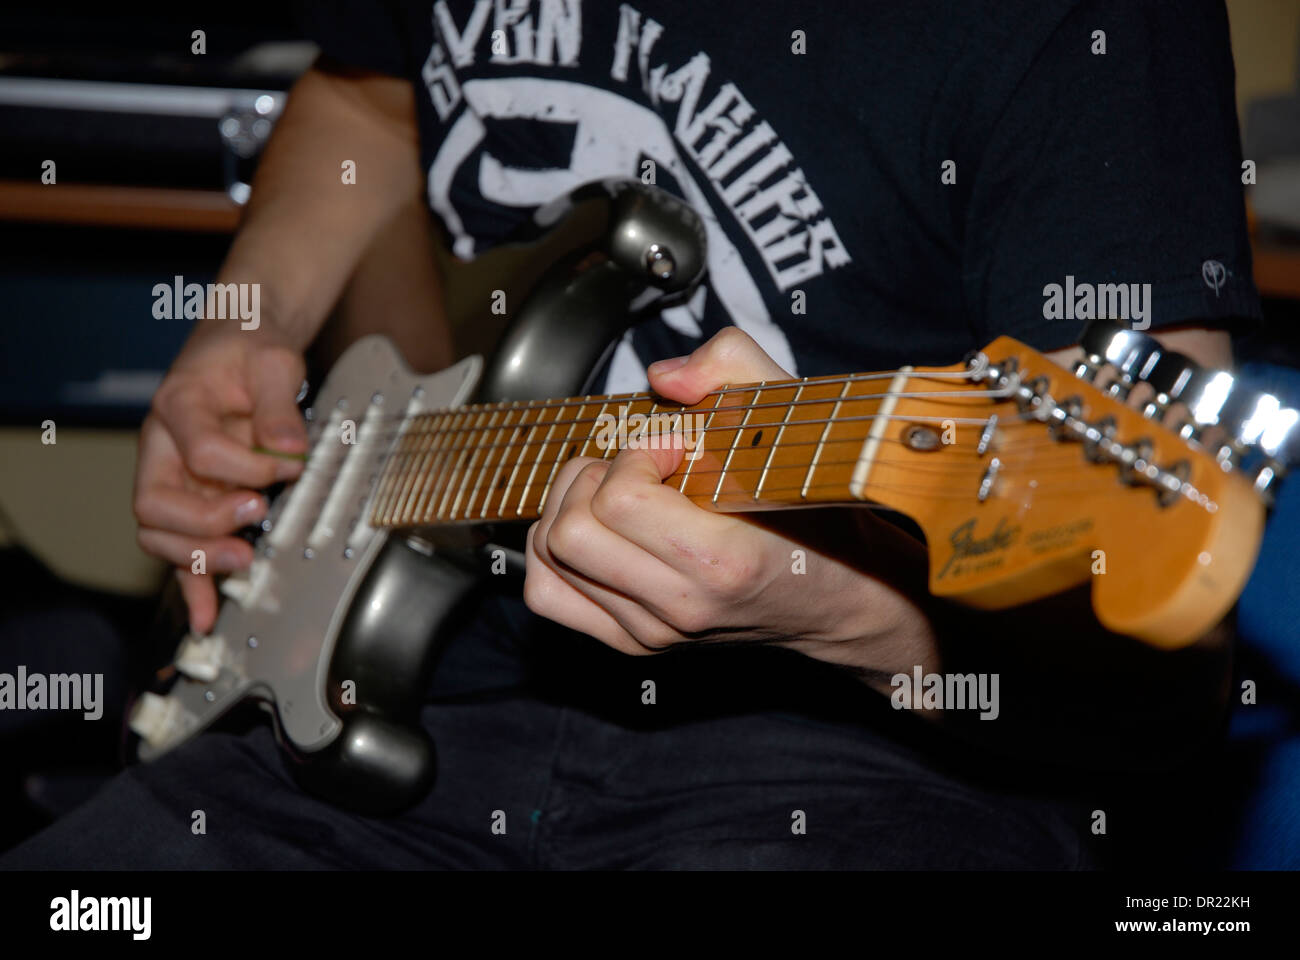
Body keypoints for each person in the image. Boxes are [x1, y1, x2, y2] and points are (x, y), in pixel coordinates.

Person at [1, 0, 1258, 869]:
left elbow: (1160, 685)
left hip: (856, 765)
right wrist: (242, 323)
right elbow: (368, 91)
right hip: (415, 701)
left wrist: (846, 613)